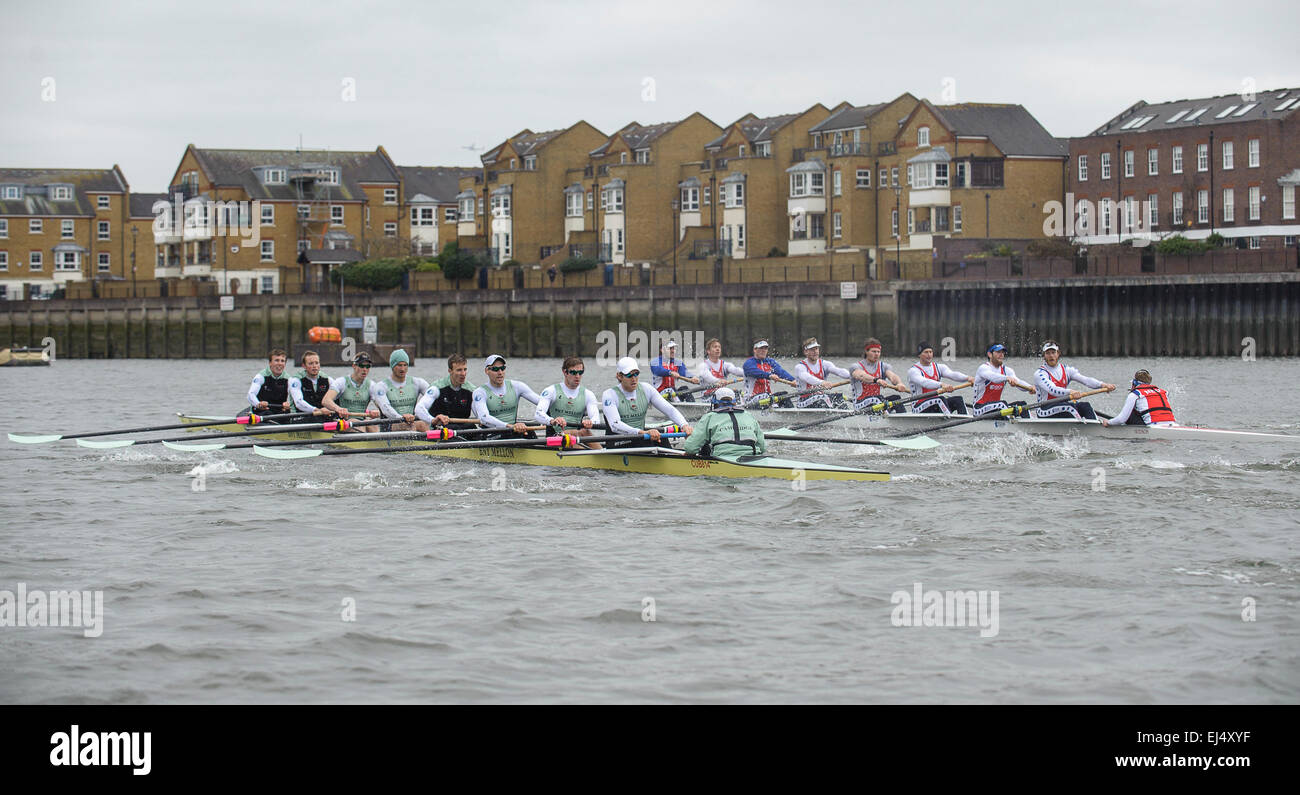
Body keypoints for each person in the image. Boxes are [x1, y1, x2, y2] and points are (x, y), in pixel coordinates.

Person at [601, 357, 692, 449]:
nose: (634, 379)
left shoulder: (646, 389)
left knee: (661, 438)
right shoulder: (609, 395)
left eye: (636, 374)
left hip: (639, 437)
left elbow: (670, 410)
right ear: (619, 376)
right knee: (646, 441)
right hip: (618, 441)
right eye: (629, 375)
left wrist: (684, 425)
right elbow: (615, 425)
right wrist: (642, 432)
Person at [1033, 340, 1115, 420]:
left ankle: (1097, 429)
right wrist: (1070, 392)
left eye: (1053, 352)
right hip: (1044, 409)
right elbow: (1052, 390)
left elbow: (1086, 380)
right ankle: (1084, 429)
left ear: (1058, 353)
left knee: (1085, 406)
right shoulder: (1040, 374)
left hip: (1061, 405)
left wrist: (1103, 385)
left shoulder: (1067, 370)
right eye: (1048, 353)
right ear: (1044, 356)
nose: (1051, 356)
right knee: (1070, 407)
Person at [471, 354, 543, 439]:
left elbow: (543, 403)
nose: (500, 372)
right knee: (513, 434)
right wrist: (509, 426)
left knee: (529, 432)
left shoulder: (517, 386)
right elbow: (484, 418)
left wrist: (556, 418)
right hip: (491, 432)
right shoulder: (480, 392)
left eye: (502, 368)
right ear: (487, 371)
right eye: (495, 369)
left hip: (512, 430)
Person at [534, 356, 601, 444]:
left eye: (580, 372)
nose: (577, 376)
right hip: (555, 437)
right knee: (581, 433)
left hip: (577, 438)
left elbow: (596, 419)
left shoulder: (588, 394)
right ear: (565, 372)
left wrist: (590, 422)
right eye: (573, 372)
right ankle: (597, 454)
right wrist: (552, 421)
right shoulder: (551, 391)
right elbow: (538, 413)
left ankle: (604, 455)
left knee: (585, 432)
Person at [683, 388, 766, 458]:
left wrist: (689, 439)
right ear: (734, 402)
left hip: (723, 458)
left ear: (715, 403)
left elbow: (690, 449)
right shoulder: (748, 415)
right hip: (753, 457)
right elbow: (762, 447)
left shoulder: (709, 417)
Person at [372, 349, 431, 432]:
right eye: (399, 365)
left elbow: (433, 397)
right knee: (408, 425)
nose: (403, 369)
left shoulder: (417, 382)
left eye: (405, 365)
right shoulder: (381, 387)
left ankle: (433, 443)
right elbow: (386, 409)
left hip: (412, 422)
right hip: (390, 426)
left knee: (424, 423)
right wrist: (401, 418)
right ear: (392, 366)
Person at [321, 353, 382, 433]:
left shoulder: (371, 385)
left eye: (367, 366)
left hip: (362, 420)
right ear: (354, 366)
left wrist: (379, 411)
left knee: (373, 425)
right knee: (358, 424)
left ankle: (377, 443)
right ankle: (363, 443)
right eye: (361, 366)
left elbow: (382, 404)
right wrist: (338, 409)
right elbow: (326, 400)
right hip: (343, 422)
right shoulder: (341, 382)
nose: (365, 369)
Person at [908, 341, 973, 414]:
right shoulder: (913, 371)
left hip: (935, 403)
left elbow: (952, 374)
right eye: (926, 352)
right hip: (918, 406)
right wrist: (942, 385)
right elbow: (924, 382)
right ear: (919, 355)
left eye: (930, 352)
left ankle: (964, 421)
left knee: (958, 399)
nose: (929, 355)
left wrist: (968, 378)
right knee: (940, 399)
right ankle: (949, 419)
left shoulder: (939, 367)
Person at [972, 343, 1036, 417]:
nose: (1001, 354)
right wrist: (1007, 378)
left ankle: (1029, 425)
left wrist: (1030, 387)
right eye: (998, 352)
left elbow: (1018, 382)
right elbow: (993, 377)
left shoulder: (1007, 370)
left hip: (996, 408)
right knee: (1002, 404)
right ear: (989, 354)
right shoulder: (983, 368)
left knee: (1022, 405)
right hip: (979, 408)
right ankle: (1010, 425)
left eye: (1003, 352)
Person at [415, 353, 477, 427]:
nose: (463, 374)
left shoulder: (472, 390)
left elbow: (481, 414)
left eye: (465, 369)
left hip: (462, 429)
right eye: (459, 370)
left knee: (471, 426)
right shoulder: (437, 388)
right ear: (450, 371)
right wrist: (432, 420)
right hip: (439, 428)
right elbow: (419, 408)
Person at [849, 338, 908, 412]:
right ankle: (885, 417)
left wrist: (900, 383)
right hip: (860, 403)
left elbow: (892, 376)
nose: (876, 354)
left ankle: (902, 420)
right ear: (866, 351)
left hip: (877, 402)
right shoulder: (856, 367)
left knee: (896, 399)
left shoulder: (883, 366)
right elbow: (862, 376)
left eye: (878, 352)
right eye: (873, 351)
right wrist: (877, 380)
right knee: (877, 399)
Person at [1102, 370, 1177, 427]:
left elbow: (1122, 419)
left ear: (1134, 382)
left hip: (1153, 426)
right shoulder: (1163, 392)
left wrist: (1109, 422)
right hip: (1172, 424)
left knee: (1130, 413)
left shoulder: (1135, 394)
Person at [792, 338, 851, 408]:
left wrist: (853, 376)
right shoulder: (800, 367)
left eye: (816, 349)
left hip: (821, 398)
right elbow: (807, 378)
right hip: (804, 400)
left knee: (838, 397)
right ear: (805, 352)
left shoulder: (825, 364)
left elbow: (839, 371)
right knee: (823, 398)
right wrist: (822, 382)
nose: (815, 352)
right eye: (812, 350)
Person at [742, 338, 797, 408]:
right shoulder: (749, 363)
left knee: (784, 395)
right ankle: (774, 408)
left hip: (767, 398)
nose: (763, 351)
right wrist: (769, 375)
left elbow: (781, 372)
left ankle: (791, 414)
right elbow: (756, 372)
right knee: (766, 396)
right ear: (755, 350)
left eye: (765, 349)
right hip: (750, 399)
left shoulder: (770, 362)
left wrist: (793, 380)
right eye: (761, 348)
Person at [245, 348, 292, 417]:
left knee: (287, 413)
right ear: (270, 363)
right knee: (267, 413)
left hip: (279, 412)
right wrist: (258, 404)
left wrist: (289, 404)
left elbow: (296, 398)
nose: (280, 363)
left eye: (282, 361)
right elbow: (250, 395)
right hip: (261, 411)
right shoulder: (261, 376)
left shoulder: (289, 379)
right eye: (276, 360)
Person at [287, 351, 333, 419]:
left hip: (321, 416)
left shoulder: (327, 379)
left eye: (316, 363)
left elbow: (340, 393)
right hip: (300, 417)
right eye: (310, 363)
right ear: (304, 366)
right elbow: (299, 403)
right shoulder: (295, 380)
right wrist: (318, 410)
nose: (314, 366)